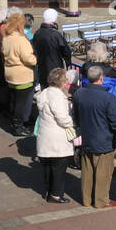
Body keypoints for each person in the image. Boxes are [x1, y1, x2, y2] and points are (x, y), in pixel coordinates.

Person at [73, 63, 116, 208]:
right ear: (101, 78)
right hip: (104, 140)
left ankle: (87, 199)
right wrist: (114, 132)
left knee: (87, 171)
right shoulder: (107, 97)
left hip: (87, 137)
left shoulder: (79, 94)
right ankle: (101, 200)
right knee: (103, 173)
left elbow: (76, 116)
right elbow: (115, 120)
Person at [33, 67, 76, 202]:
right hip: (57, 138)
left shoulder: (44, 93)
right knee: (59, 167)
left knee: (47, 167)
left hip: (45, 135)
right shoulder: (57, 96)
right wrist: (72, 122)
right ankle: (55, 195)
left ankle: (48, 191)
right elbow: (62, 118)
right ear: (62, 82)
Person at [2, 10, 38, 136]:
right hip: (22, 75)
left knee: (14, 100)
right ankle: (18, 126)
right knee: (22, 102)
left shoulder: (7, 37)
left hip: (10, 73)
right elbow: (28, 58)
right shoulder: (21, 39)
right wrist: (36, 59)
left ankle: (14, 123)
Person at [31, 7, 71, 88]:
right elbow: (66, 52)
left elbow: (33, 50)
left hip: (42, 68)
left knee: (45, 91)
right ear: (54, 19)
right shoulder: (57, 34)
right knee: (55, 91)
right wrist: (68, 63)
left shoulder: (37, 33)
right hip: (56, 70)